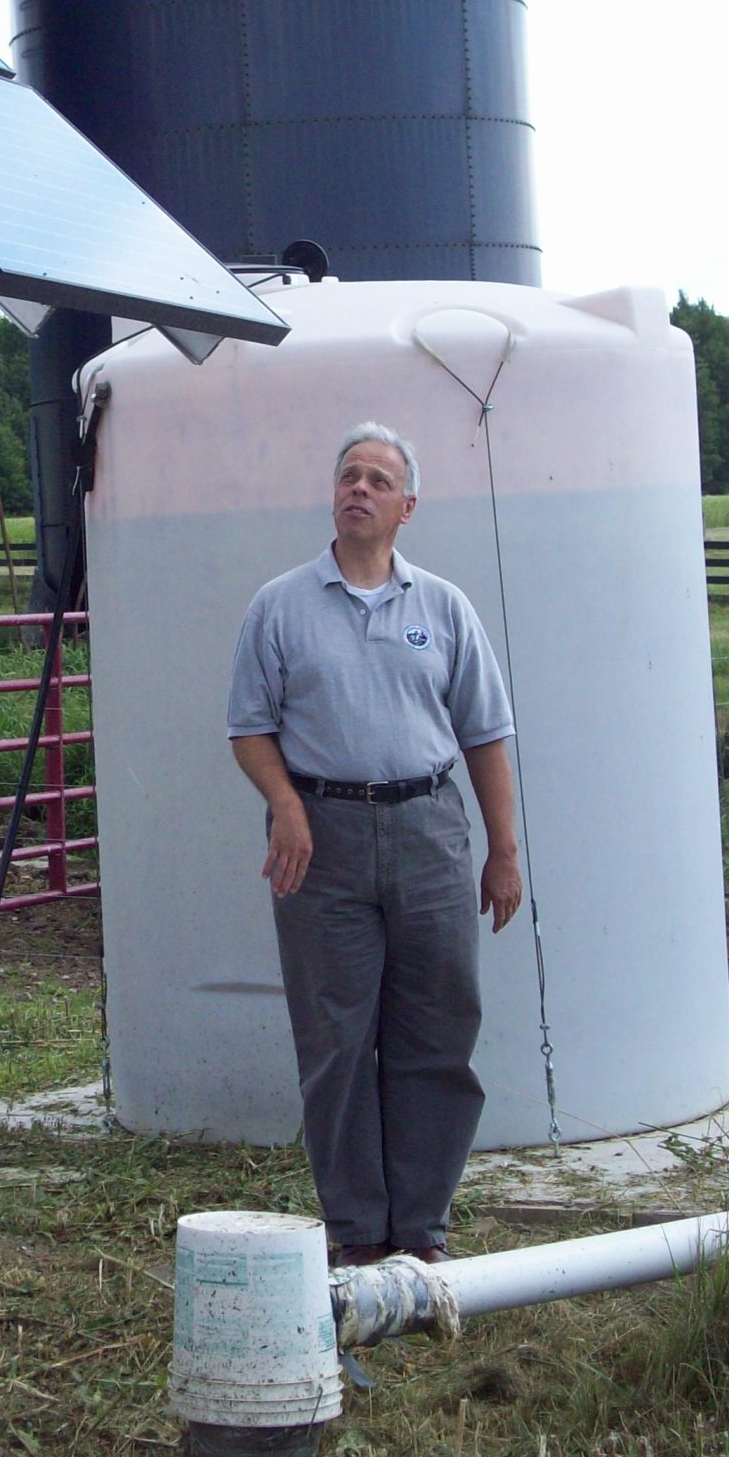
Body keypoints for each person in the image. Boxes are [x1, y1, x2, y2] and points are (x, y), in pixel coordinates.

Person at [226, 422, 523, 1267]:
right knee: (337, 1036)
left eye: (378, 480)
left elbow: (486, 731)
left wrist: (502, 849)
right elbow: (249, 726)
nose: (359, 488)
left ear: (407, 506)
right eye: (348, 475)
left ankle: (421, 1229)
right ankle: (357, 1233)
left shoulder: (444, 607)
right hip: (324, 839)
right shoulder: (279, 606)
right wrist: (284, 803)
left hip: (429, 828)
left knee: (439, 1023)